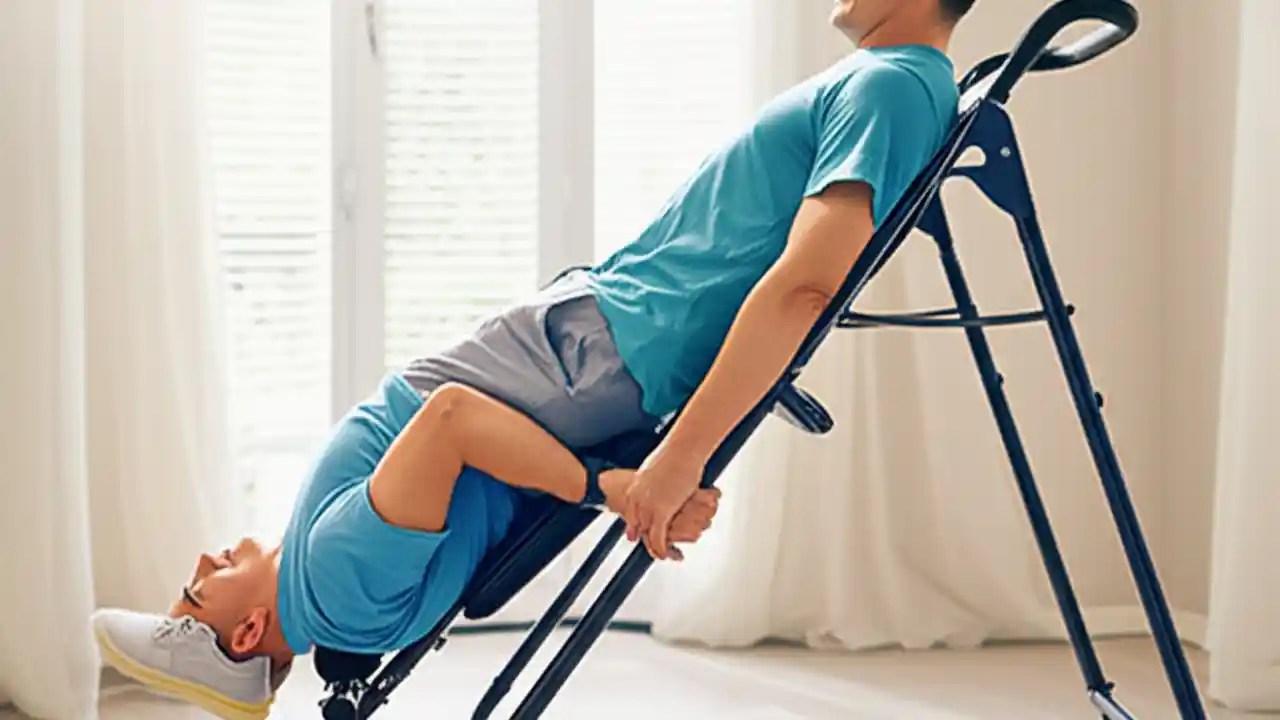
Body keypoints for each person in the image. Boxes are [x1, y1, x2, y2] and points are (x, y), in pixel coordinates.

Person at [91, 0, 972, 717]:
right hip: (597, 344)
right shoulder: (328, 591)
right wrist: (633, 472)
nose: (204, 564)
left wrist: (659, 468)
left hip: (604, 345)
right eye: (197, 595)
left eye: (192, 588)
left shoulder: (891, 85)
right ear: (250, 636)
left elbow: (804, 288)